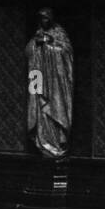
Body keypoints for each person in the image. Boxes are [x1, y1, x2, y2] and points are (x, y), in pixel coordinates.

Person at [25, 8, 74, 159]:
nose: (43, 21)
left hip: (55, 84)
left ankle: (57, 143)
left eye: (45, 18)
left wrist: (48, 44)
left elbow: (66, 52)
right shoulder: (37, 34)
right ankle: (43, 142)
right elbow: (28, 51)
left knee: (54, 109)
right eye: (41, 18)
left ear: (51, 19)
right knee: (40, 108)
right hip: (39, 77)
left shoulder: (59, 34)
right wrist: (36, 44)